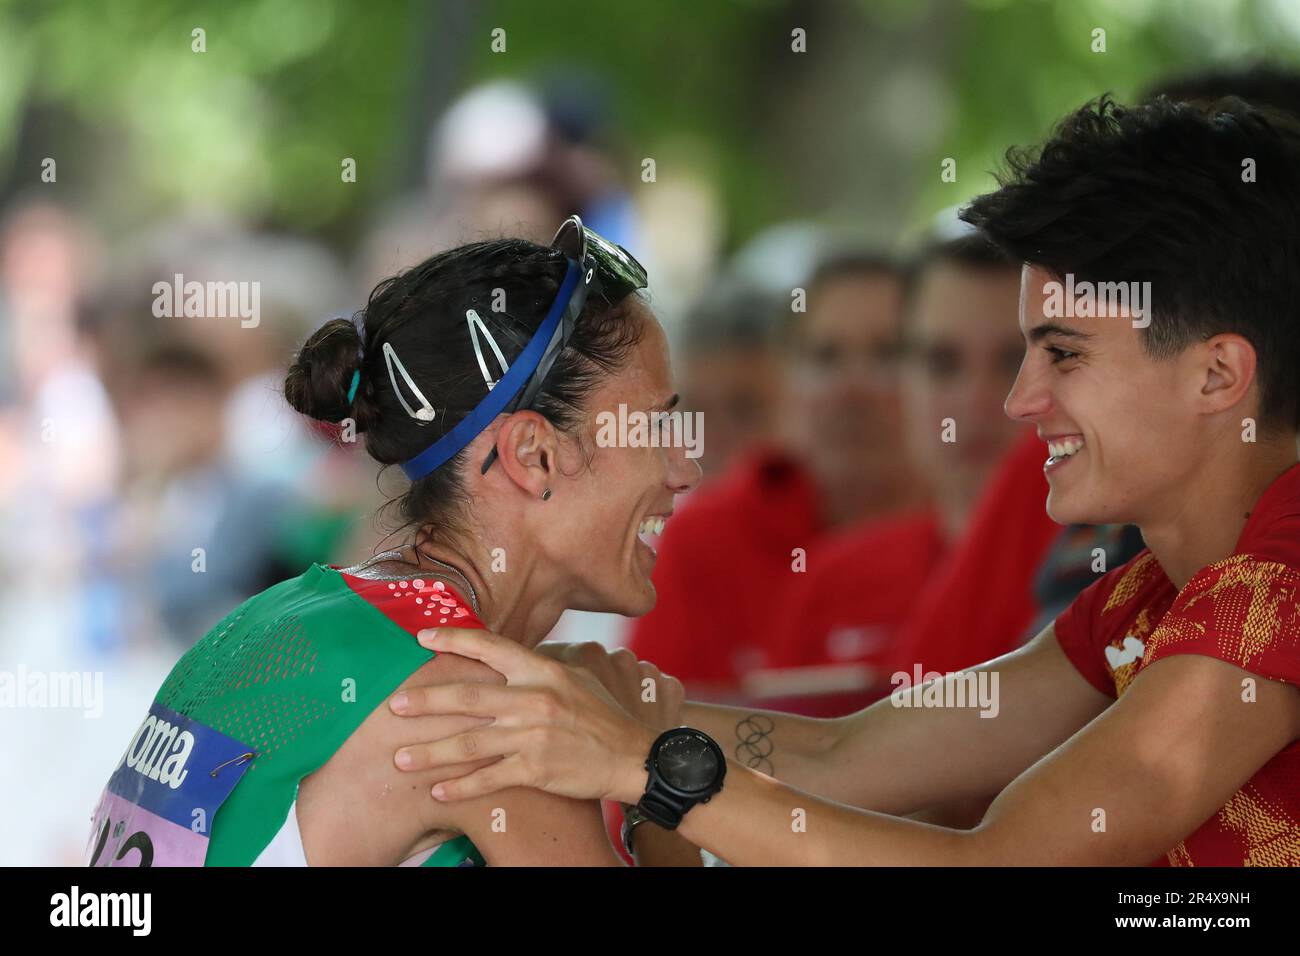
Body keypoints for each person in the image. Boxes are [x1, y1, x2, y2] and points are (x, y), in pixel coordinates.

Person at [391, 96, 1300, 866]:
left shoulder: (1282, 578)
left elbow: (994, 864)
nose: (1021, 401)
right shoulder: (1147, 598)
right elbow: (845, 749)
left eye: (1062, 354)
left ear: (1218, 374)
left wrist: (639, 763)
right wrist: (583, 706)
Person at [86, 217, 702, 866]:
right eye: (653, 428)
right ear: (533, 456)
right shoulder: (485, 711)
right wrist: (658, 776)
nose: (686, 470)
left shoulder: (277, 615)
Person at [625, 252, 923, 693]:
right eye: (825, 356)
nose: (852, 388)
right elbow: (647, 727)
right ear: (787, 378)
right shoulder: (705, 542)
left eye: (887, 354)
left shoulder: (986, 533)